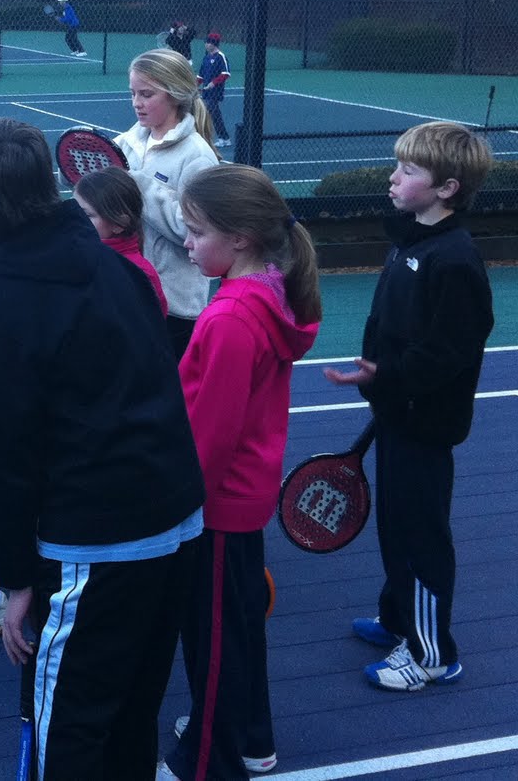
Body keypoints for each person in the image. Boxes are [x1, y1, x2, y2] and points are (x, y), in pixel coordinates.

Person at [0, 117, 205, 778]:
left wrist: (17, 581)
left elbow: (3, 463)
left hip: (96, 544)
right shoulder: (114, 267)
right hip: (174, 523)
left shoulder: (1, 311)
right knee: (131, 711)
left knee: (69, 728)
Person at [160, 165, 320, 781]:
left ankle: (209, 761)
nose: (188, 244)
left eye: (197, 233)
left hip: (215, 506)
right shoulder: (266, 293)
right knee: (238, 628)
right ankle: (252, 738)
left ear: (242, 239)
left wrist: (177, 504)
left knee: (215, 643)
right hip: (239, 500)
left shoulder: (227, 319)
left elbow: (212, 434)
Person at [324, 121, 494, 694]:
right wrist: (382, 379)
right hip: (398, 411)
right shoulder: (413, 242)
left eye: (408, 170)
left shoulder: (455, 260)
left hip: (425, 424)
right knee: (395, 528)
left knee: (420, 536)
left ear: (446, 188)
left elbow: (448, 352)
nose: (393, 177)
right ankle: (399, 618)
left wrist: (386, 375)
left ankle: (430, 653)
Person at [112, 48, 222, 358]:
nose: (137, 102)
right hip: (129, 293)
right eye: (133, 93)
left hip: (175, 307)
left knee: (169, 398)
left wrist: (138, 183)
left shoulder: (197, 156)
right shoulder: (129, 141)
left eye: (146, 94)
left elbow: (191, 229)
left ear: (174, 95)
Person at [72, 166, 166, 316]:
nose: (76, 219)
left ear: (119, 224)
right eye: (74, 210)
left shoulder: (136, 273)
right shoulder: (77, 256)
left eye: (87, 215)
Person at [198, 32, 232, 148]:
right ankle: (222, 137)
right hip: (207, 92)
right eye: (206, 43)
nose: (206, 45)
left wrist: (213, 83)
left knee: (213, 112)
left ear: (214, 44)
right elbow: (200, 76)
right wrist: (193, 85)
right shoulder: (206, 57)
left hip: (215, 91)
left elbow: (226, 74)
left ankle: (224, 138)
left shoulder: (220, 56)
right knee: (211, 114)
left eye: (208, 43)